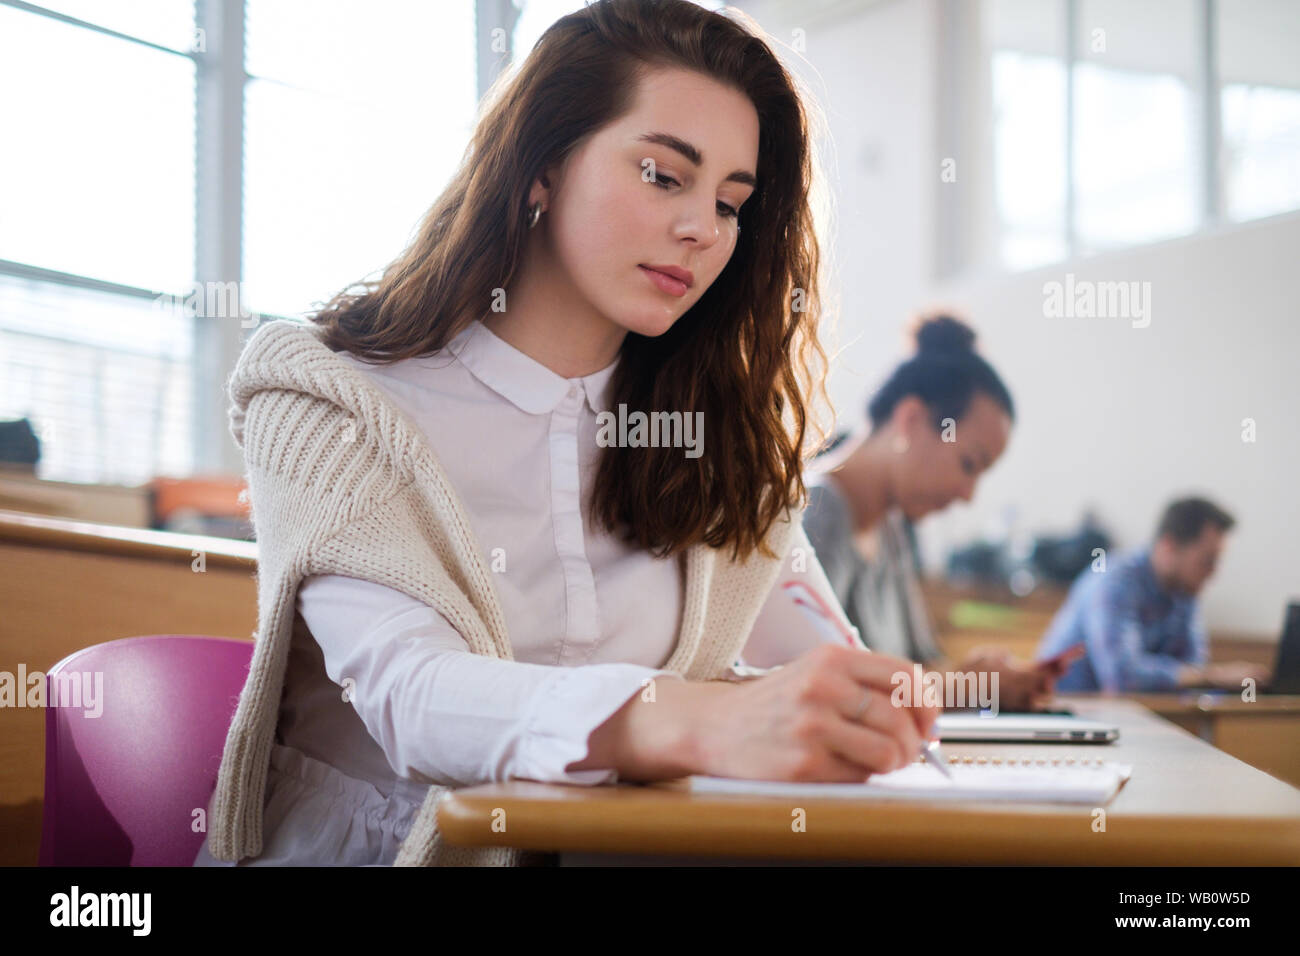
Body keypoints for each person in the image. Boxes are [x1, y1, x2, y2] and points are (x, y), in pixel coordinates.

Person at [196, 0, 936, 868]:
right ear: (542, 167)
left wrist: (873, 713)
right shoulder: (330, 397)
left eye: (732, 204)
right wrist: (700, 719)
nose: (703, 229)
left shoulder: (717, 441)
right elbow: (411, 699)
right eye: (665, 176)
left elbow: (833, 668)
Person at [801, 314, 1078, 712]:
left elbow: (920, 665)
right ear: (911, 419)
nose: (967, 496)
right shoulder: (817, 511)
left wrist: (981, 676)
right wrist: (971, 687)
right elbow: (815, 686)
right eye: (969, 464)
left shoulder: (891, 527)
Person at [1037, 497, 1264, 693]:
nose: (1213, 573)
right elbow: (1122, 678)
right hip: (1066, 710)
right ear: (1168, 547)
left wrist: (1201, 675)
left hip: (1119, 715)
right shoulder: (1113, 582)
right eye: (1207, 561)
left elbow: (1194, 666)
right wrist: (1214, 675)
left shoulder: (1184, 591)